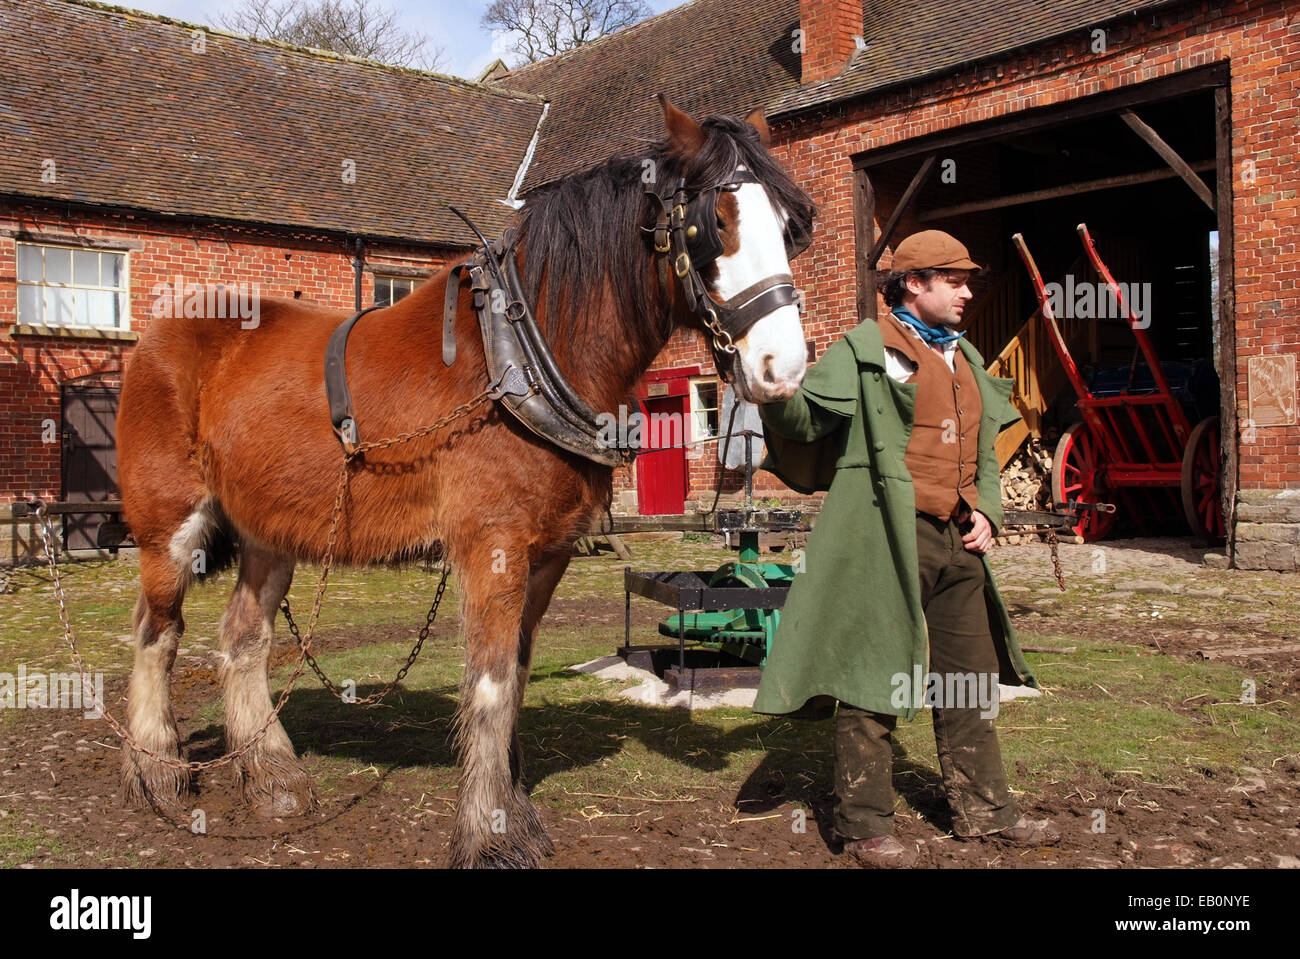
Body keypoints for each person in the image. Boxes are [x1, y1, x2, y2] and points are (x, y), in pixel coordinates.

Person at [753, 229, 1060, 868]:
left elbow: (982, 451)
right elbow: (806, 421)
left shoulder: (966, 359)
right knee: (872, 676)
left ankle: (986, 813)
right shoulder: (866, 348)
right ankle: (864, 825)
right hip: (883, 537)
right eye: (956, 281)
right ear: (914, 284)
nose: (969, 292)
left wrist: (989, 512)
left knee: (971, 682)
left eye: (968, 280)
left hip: (958, 543)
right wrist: (770, 388)